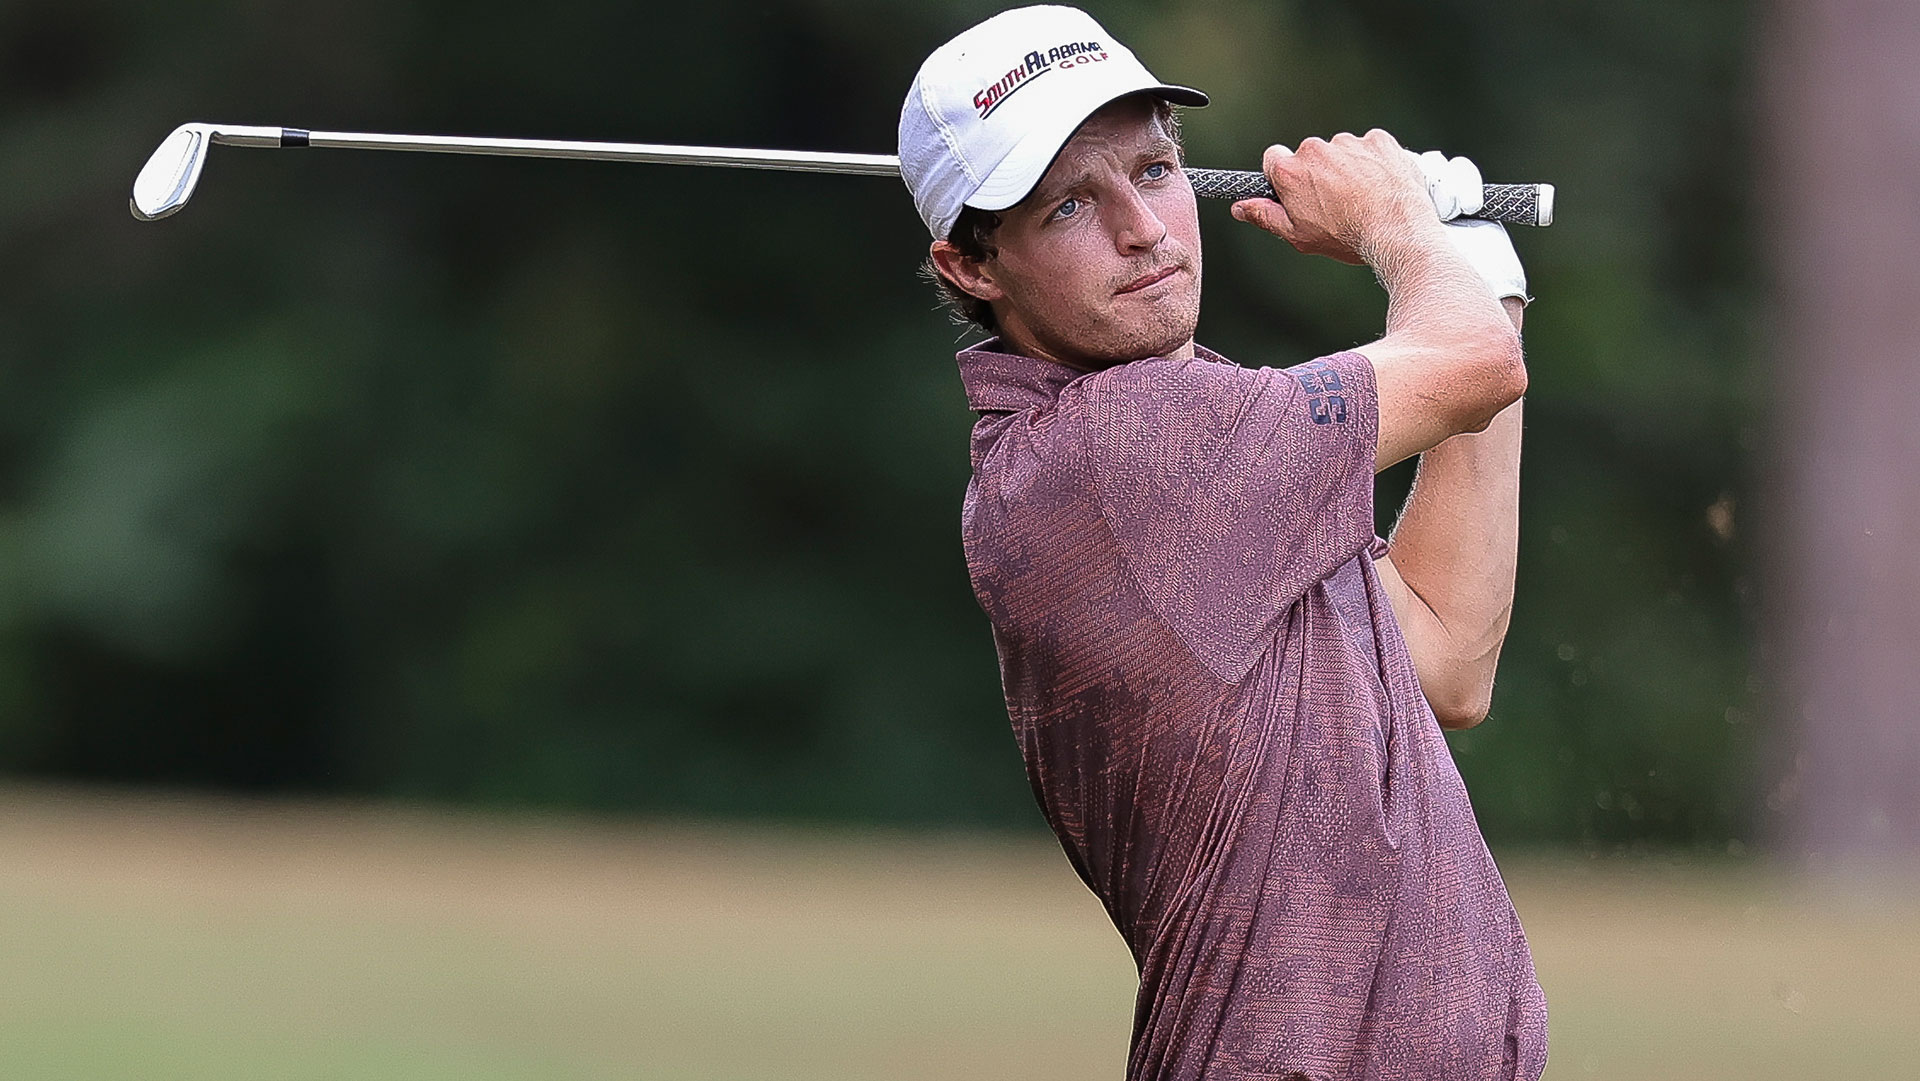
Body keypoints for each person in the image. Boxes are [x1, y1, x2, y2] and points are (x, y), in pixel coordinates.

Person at [898, 5, 1546, 1081]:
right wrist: (1407, 233)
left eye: (1152, 172)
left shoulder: (1221, 462)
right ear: (973, 267)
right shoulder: (1123, 449)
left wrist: (1486, 279)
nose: (1144, 230)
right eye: (1069, 206)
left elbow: (1447, 653)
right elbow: (1471, 361)